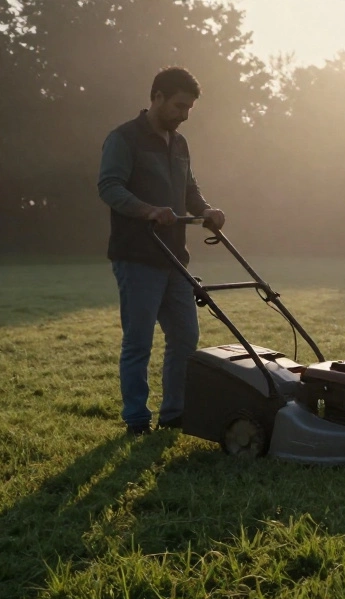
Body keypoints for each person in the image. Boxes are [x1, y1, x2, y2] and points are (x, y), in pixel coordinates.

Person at [97, 66, 225, 436]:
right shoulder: (124, 138)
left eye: (189, 109)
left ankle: (174, 414)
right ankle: (137, 419)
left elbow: (190, 187)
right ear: (157, 98)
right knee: (138, 342)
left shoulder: (179, 142)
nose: (184, 115)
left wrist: (205, 210)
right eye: (179, 106)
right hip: (137, 256)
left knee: (186, 336)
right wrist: (148, 210)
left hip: (175, 258)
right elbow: (109, 187)